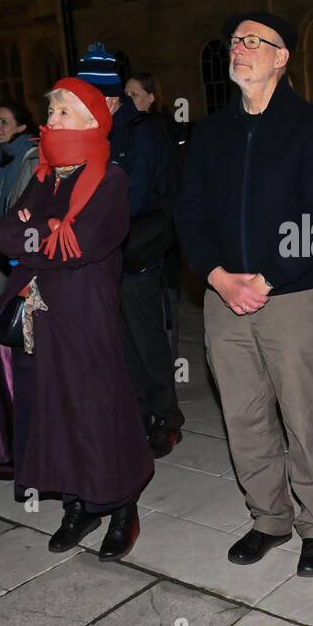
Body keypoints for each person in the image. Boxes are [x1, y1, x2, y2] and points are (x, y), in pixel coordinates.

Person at [175, 10, 313, 577]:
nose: (239, 48)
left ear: (282, 57)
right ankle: (268, 518)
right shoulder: (211, 131)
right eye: (235, 40)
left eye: (253, 41)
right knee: (243, 417)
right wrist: (217, 277)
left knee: (305, 414)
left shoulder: (308, 127)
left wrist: (266, 278)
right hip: (223, 297)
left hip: (289, 297)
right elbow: (189, 212)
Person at [0, 78, 153, 561]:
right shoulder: (44, 176)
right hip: (39, 315)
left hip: (84, 312)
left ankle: (121, 506)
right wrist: (49, 232)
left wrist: (36, 235)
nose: (50, 120)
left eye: (61, 112)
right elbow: (3, 236)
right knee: (52, 407)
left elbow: (86, 243)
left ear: (90, 120)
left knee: (96, 407)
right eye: (50, 111)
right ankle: (78, 503)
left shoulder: (110, 179)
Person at [116, 70, 184, 457]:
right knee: (125, 340)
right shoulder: (123, 133)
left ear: (150, 98)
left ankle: (167, 418)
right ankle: (140, 413)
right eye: (123, 94)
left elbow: (137, 195)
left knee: (148, 339)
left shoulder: (148, 133)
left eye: (133, 94)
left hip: (142, 250)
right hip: (121, 252)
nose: (127, 101)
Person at [0, 101, 39, 300]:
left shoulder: (31, 154)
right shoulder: (4, 153)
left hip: (25, 233)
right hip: (8, 228)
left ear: (21, 127)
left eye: (4, 122)